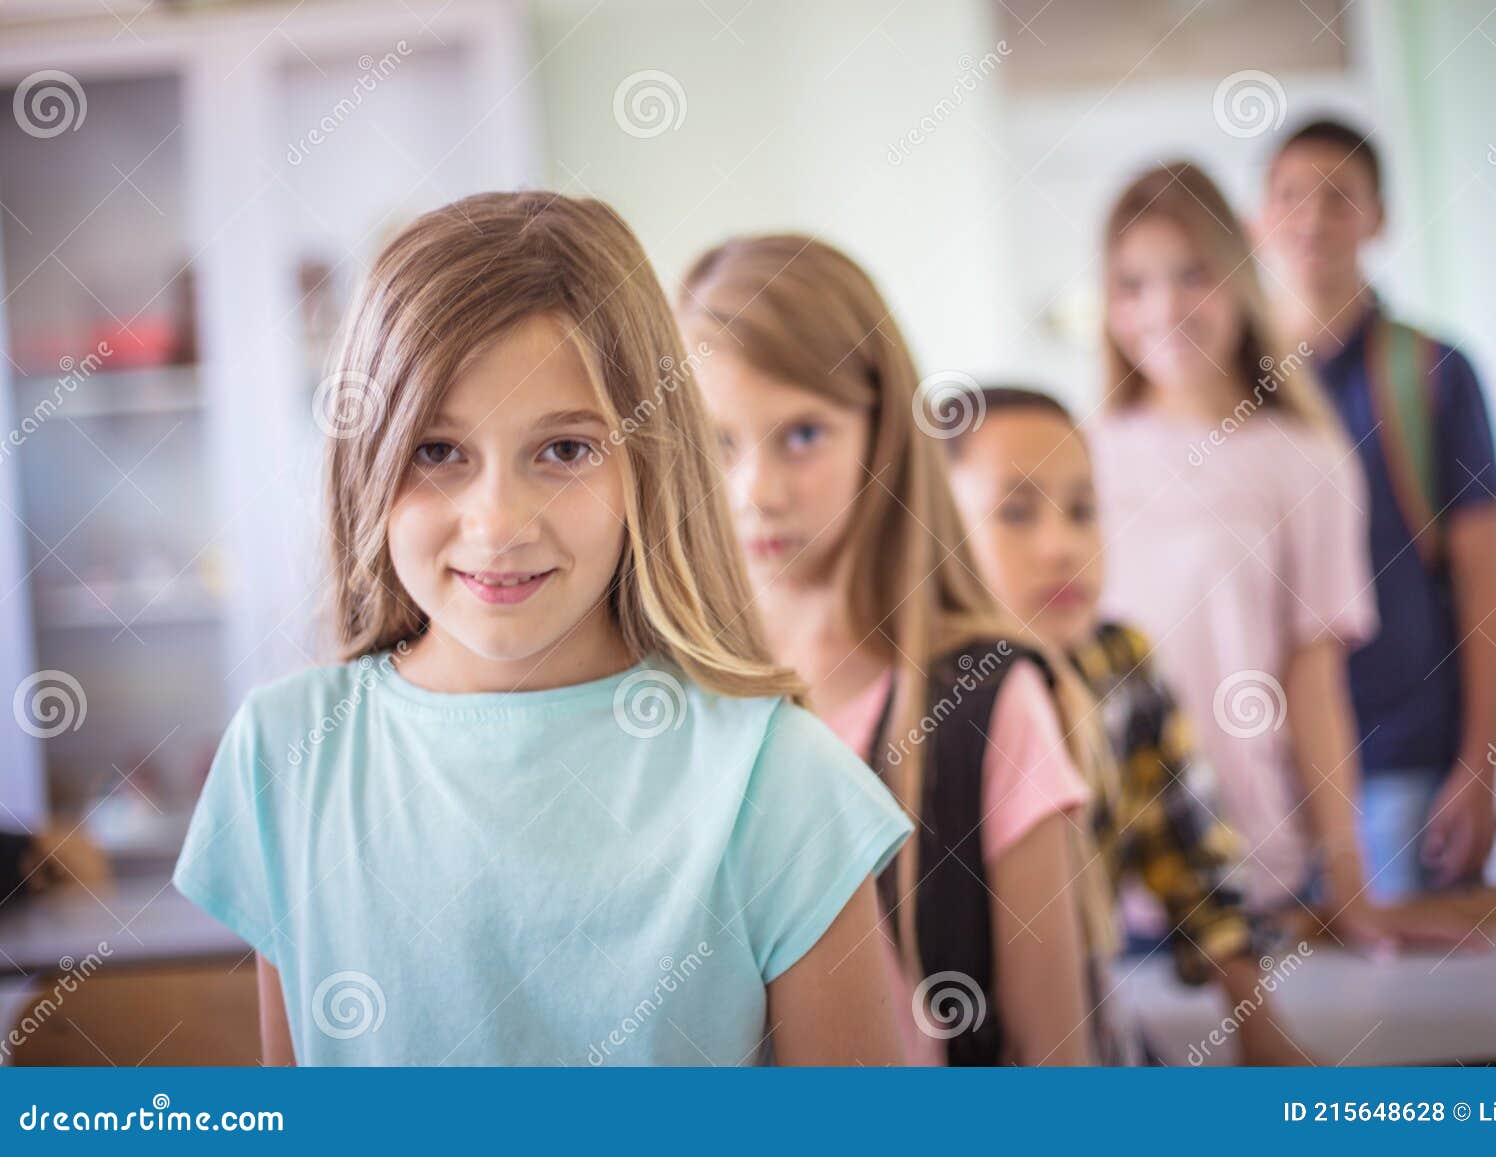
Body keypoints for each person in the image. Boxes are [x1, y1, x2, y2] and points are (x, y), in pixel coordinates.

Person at [173, 192, 911, 1066]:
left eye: (564, 450)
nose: (498, 523)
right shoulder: (287, 752)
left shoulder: (780, 779)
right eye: (436, 451)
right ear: (364, 460)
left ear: (651, 463)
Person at [679, 235, 1112, 1065]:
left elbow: (1054, 1058)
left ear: (881, 435)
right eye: (718, 441)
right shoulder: (665, 690)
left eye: (803, 434)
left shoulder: (988, 699)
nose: (757, 491)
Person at [1091, 161, 1474, 951]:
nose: (1163, 308)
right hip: (1109, 878)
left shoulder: (1305, 458)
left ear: (1236, 275)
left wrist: (1352, 885)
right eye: (1133, 283)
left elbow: (1316, 680)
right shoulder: (1082, 457)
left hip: (1255, 865)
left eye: (1191, 273)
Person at [944, 385, 1310, 1065]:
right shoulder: (926, 702)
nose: (1061, 546)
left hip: (1091, 1037)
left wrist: (1260, 1028)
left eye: (1082, 509)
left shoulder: (1119, 663)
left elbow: (1195, 857)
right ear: (936, 534)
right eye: (1016, 512)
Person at [1259, 118, 1496, 900]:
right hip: (1269, 768)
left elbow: (1483, 580)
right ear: (1259, 219)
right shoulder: (1239, 390)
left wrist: (1480, 764)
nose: (1314, 218)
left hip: (1405, 756)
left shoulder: (1433, 371)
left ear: (1378, 217)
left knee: (1406, 1010)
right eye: (1292, 195)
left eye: (1339, 197)